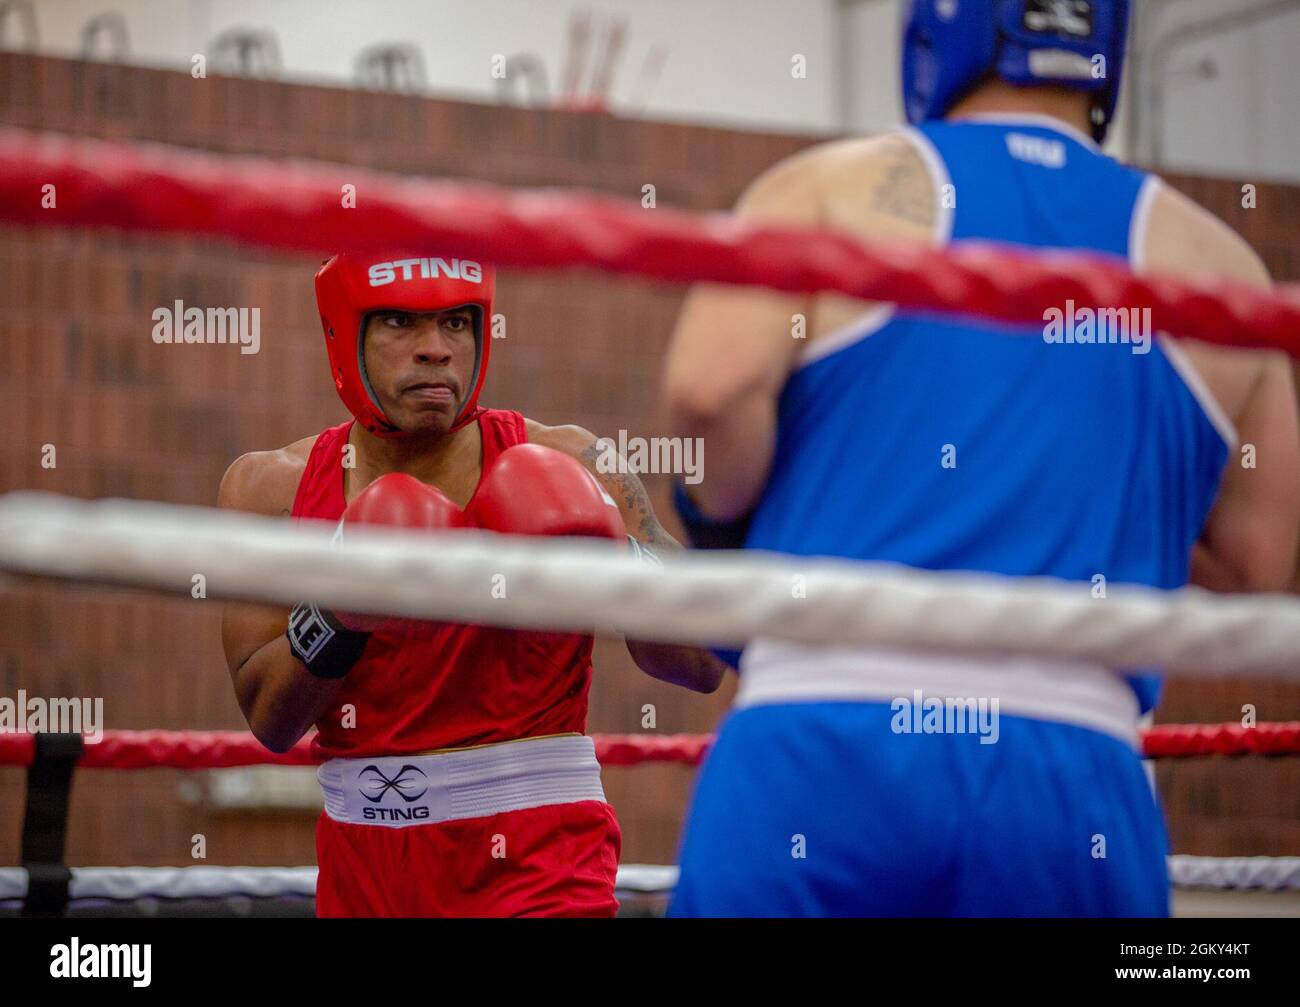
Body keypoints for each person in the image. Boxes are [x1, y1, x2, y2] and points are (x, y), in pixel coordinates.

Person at [663, 0, 1300, 916]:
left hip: (831, 730)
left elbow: (708, 395)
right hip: (1077, 770)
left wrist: (725, 535)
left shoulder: (834, 190)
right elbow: (1250, 566)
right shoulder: (1220, 265)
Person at [219, 252, 725, 917]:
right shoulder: (269, 489)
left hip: (541, 859)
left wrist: (620, 562)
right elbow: (270, 719)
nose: (435, 350)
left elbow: (704, 662)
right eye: (401, 321)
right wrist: (342, 609)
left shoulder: (571, 460)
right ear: (346, 333)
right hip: (366, 866)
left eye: (456, 322)